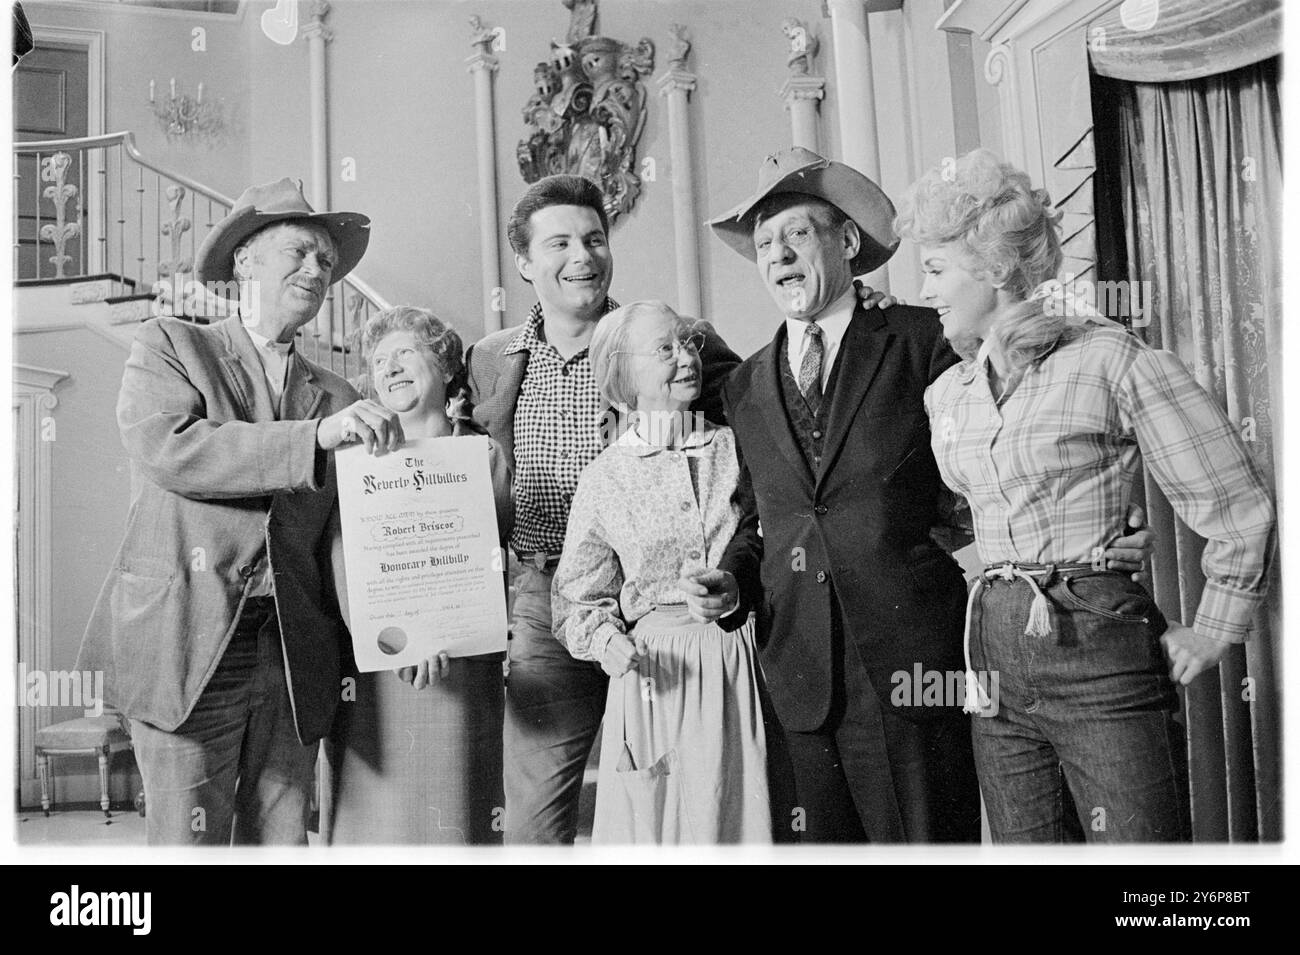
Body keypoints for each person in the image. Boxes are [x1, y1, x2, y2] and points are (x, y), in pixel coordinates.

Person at [705, 147, 1151, 843]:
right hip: (798, 679)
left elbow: (1027, 425)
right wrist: (731, 583)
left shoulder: (928, 340)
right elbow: (759, 519)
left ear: (847, 242)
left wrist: (1089, 524)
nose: (777, 255)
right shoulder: (745, 385)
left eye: (795, 233)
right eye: (763, 243)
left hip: (915, 669)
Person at [895, 149, 1276, 842]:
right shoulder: (947, 393)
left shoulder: (1109, 357)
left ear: (996, 268)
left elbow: (1235, 497)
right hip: (992, 648)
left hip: (1097, 643)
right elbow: (958, 512)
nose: (926, 290)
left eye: (936, 268)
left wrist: (1217, 623)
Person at [76, 178, 403, 844]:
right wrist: (310, 440)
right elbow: (170, 448)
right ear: (247, 258)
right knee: (187, 840)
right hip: (186, 643)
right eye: (302, 252)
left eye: (326, 263)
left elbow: (347, 537)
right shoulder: (171, 344)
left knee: (279, 842)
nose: (319, 270)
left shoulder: (337, 391)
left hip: (293, 653)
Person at [467, 174, 743, 844]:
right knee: (534, 821)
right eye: (558, 242)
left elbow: (760, 406)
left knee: (679, 806)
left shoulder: (669, 339)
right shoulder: (490, 356)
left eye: (594, 238)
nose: (582, 255)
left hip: (661, 606)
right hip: (544, 598)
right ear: (526, 263)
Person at [552, 301, 769, 844]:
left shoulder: (735, 446)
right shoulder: (604, 478)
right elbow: (577, 598)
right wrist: (607, 642)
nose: (687, 357)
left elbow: (768, 537)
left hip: (739, 657)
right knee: (664, 829)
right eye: (665, 348)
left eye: (688, 342)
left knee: (744, 822)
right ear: (625, 379)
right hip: (656, 677)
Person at [322, 307, 512, 845]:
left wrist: (440, 632)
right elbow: (344, 565)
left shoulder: (488, 456)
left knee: (458, 818)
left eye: (406, 352)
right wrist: (401, 639)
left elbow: (488, 557)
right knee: (375, 827)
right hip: (380, 671)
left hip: (463, 668)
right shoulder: (353, 460)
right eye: (380, 360)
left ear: (446, 366)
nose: (391, 366)